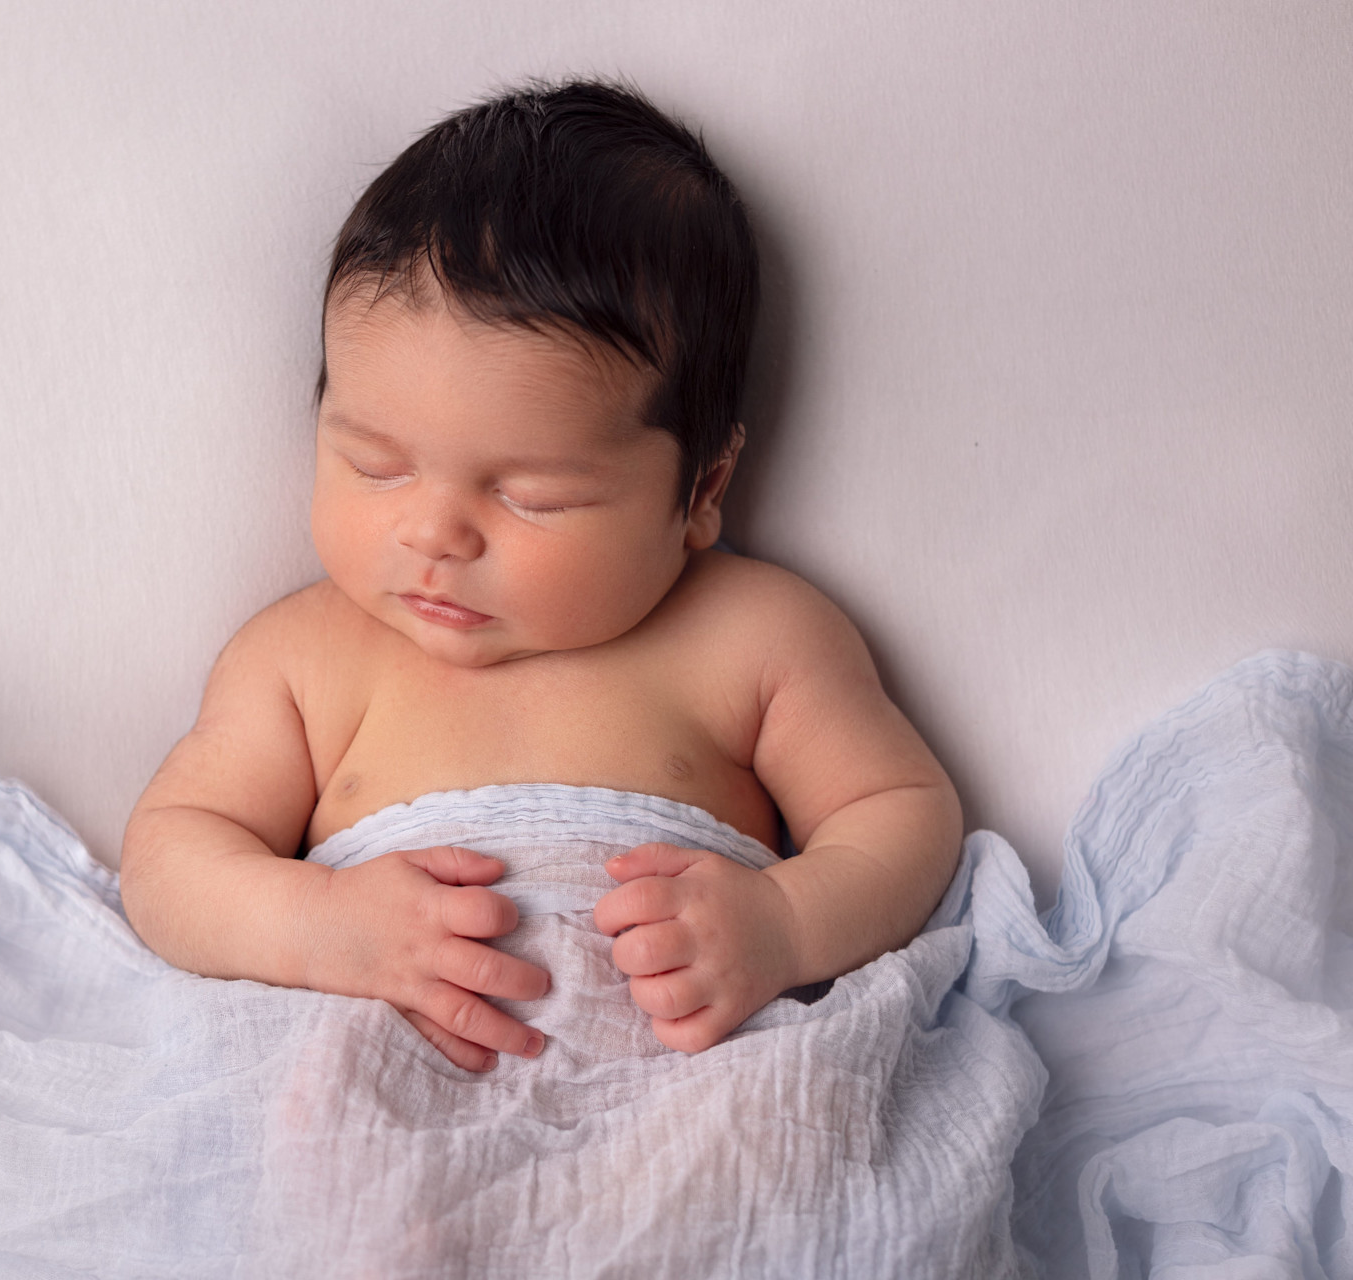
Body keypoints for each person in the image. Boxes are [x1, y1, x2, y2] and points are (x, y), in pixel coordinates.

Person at [119, 76, 962, 1074]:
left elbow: (903, 813)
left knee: (802, 1139)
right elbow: (170, 857)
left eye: (533, 496)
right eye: (374, 464)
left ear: (702, 486)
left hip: (686, 1086)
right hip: (391, 1074)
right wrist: (318, 922)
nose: (433, 533)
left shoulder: (757, 632)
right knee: (314, 1129)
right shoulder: (304, 655)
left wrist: (782, 918)